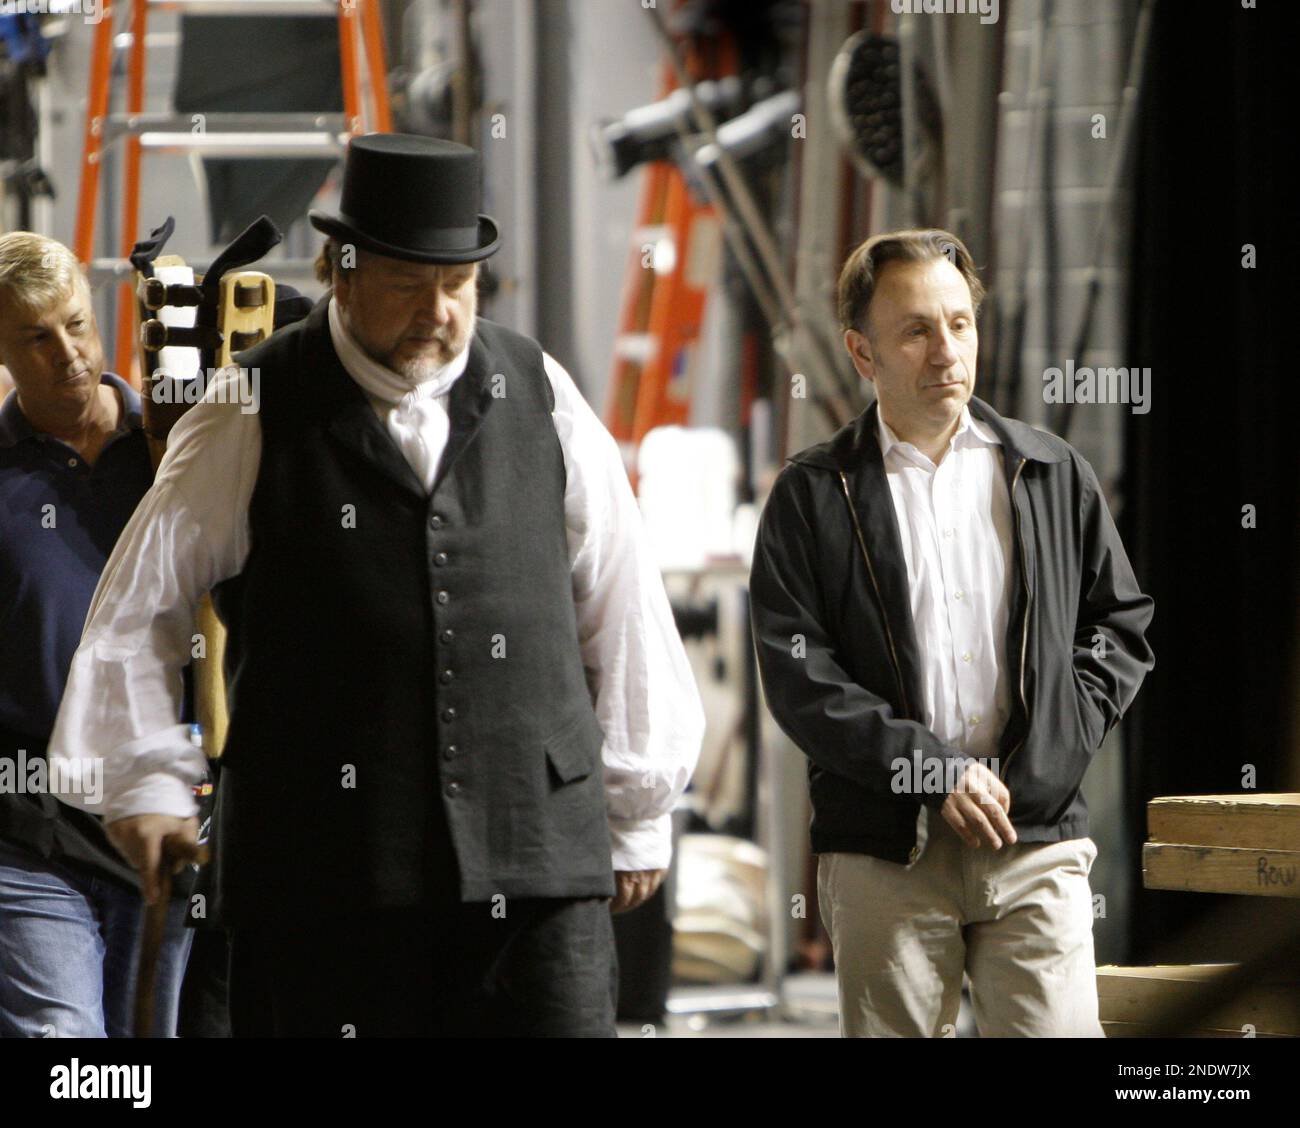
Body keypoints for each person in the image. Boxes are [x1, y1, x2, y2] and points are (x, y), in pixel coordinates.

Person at [49, 133, 704, 1037]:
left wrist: (637, 810)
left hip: (537, 866)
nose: (438, 311)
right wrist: (150, 784)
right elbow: (134, 614)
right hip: (325, 884)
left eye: (458, 285)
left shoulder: (537, 388)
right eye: (409, 283)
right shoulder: (252, 406)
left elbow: (622, 605)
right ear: (342, 275)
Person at [749, 228, 1155, 1037]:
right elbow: (801, 677)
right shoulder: (813, 495)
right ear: (863, 355)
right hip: (886, 852)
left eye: (960, 324)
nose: (946, 352)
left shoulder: (1047, 472)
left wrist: (1050, 753)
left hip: (1033, 842)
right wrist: (930, 773)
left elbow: (1117, 625)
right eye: (916, 331)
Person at [0, 231, 193, 1037]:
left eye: (75, 324)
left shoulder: (179, 451)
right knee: (65, 1050)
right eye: (36, 338)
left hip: (166, 816)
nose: (68, 353)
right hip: (29, 831)